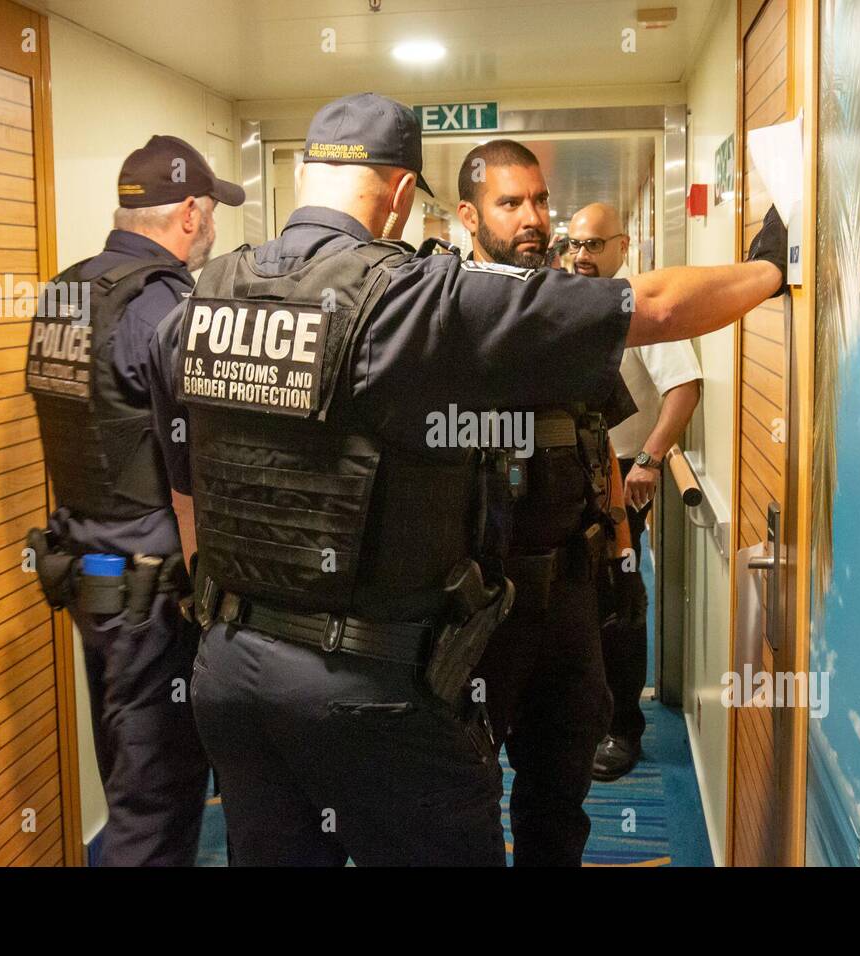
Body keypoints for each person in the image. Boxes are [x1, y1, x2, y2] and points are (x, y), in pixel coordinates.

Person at [148, 92, 789, 866]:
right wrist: (768, 269)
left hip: (228, 675)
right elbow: (648, 307)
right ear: (397, 195)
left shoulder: (196, 301)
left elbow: (183, 490)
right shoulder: (412, 301)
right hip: (367, 685)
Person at [24, 134, 243, 865]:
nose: (212, 228)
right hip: (155, 592)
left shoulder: (62, 290)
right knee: (159, 793)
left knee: (128, 770)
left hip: (90, 575)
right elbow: (201, 458)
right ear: (189, 212)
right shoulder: (164, 307)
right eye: (211, 212)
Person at [455, 140, 630, 865]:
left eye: (539, 200)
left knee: (559, 789)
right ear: (469, 215)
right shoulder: (440, 315)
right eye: (509, 203)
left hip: (570, 594)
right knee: (460, 793)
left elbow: (599, 440)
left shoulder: (567, 310)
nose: (532, 218)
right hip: (476, 602)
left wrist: (621, 550)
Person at [567, 202, 703, 782]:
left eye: (595, 244)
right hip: (572, 470)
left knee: (620, 601)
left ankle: (624, 729)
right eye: (574, 244)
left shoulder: (638, 305)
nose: (581, 256)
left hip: (623, 473)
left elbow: (685, 387)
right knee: (576, 599)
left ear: (623, 245)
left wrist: (650, 459)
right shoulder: (567, 302)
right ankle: (580, 716)